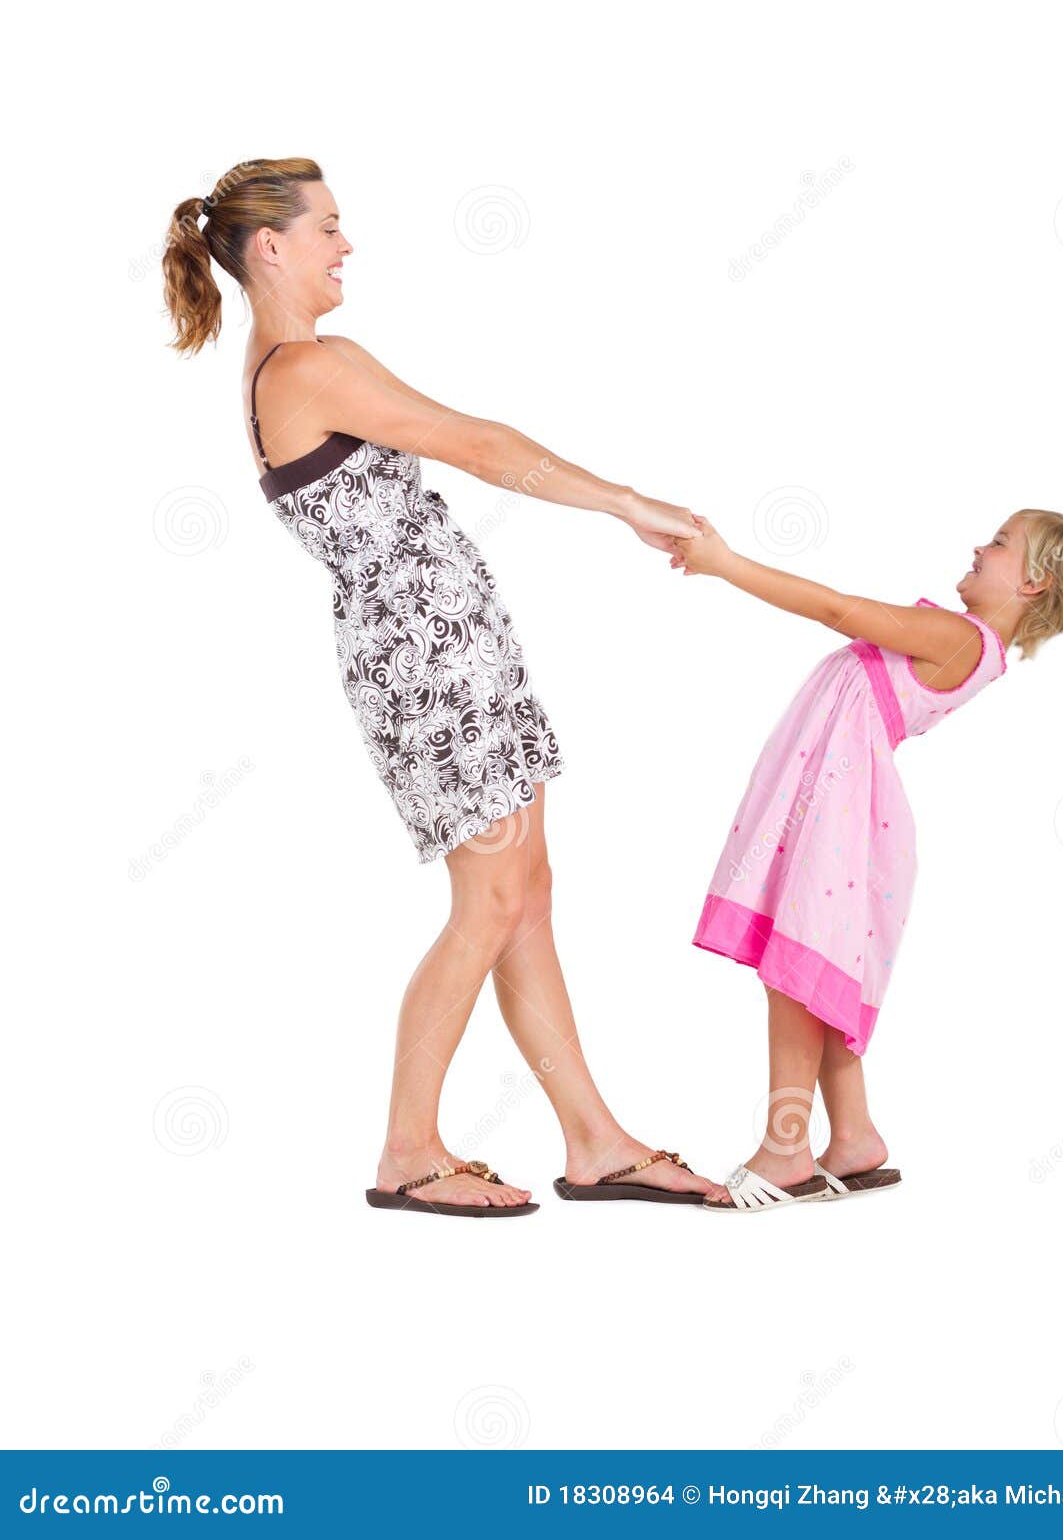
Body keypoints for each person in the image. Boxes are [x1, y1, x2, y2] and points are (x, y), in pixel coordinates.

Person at [162, 156, 719, 1218]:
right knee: (494, 897)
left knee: (526, 895)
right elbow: (477, 443)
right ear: (270, 247)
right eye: (328, 227)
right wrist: (624, 502)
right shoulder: (307, 365)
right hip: (430, 655)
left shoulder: (282, 365)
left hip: (435, 643)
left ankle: (595, 1140)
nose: (347, 245)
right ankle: (409, 1149)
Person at [668, 510, 1063, 1212]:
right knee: (815, 971)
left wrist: (725, 562)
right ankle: (853, 1137)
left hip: (837, 814)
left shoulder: (958, 637)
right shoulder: (971, 642)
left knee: (795, 973)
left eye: (999, 542)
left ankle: (787, 1149)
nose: (979, 544)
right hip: (838, 808)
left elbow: (836, 608)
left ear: (1033, 581)